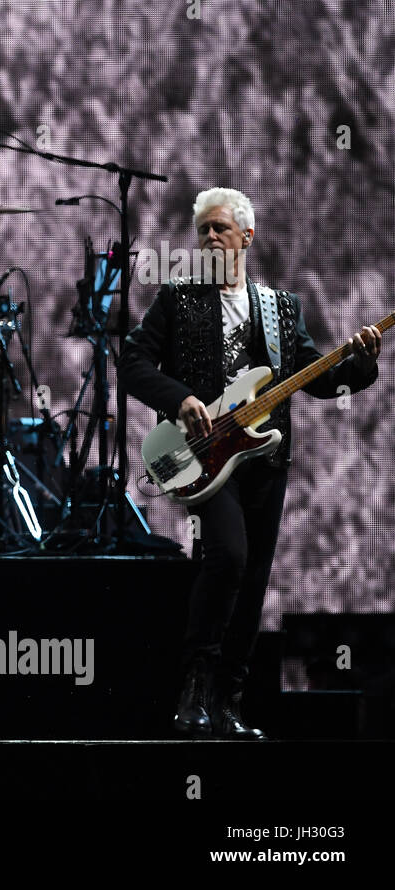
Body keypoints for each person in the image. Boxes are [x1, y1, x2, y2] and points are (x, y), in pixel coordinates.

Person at [118, 187, 381, 739]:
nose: (210, 237)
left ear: (247, 236)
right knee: (230, 557)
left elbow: (321, 379)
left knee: (255, 577)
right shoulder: (178, 299)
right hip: (206, 458)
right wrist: (179, 398)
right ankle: (193, 687)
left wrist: (359, 365)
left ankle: (228, 701)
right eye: (203, 230)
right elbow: (133, 362)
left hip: (266, 457)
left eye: (220, 228)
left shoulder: (281, 309)